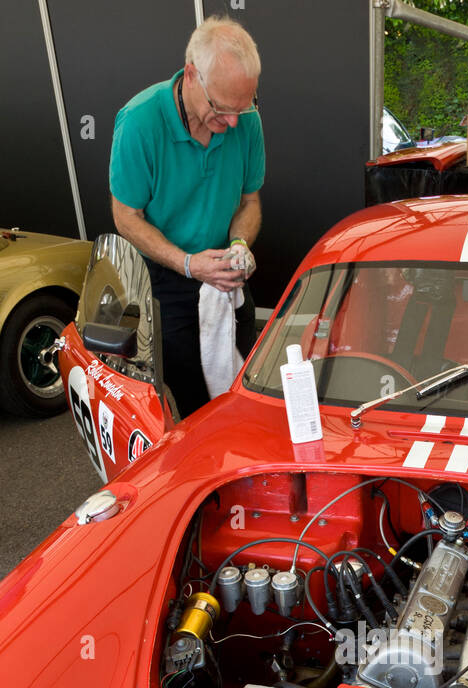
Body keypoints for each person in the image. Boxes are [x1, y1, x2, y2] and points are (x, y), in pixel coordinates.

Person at [109, 16, 264, 417]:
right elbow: (126, 217)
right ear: (191, 75)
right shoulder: (139, 122)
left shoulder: (245, 119)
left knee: (245, 384)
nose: (232, 123)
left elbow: (250, 203)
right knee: (195, 398)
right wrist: (189, 264)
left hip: (226, 271)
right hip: (168, 277)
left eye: (241, 109)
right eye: (222, 109)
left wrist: (239, 244)